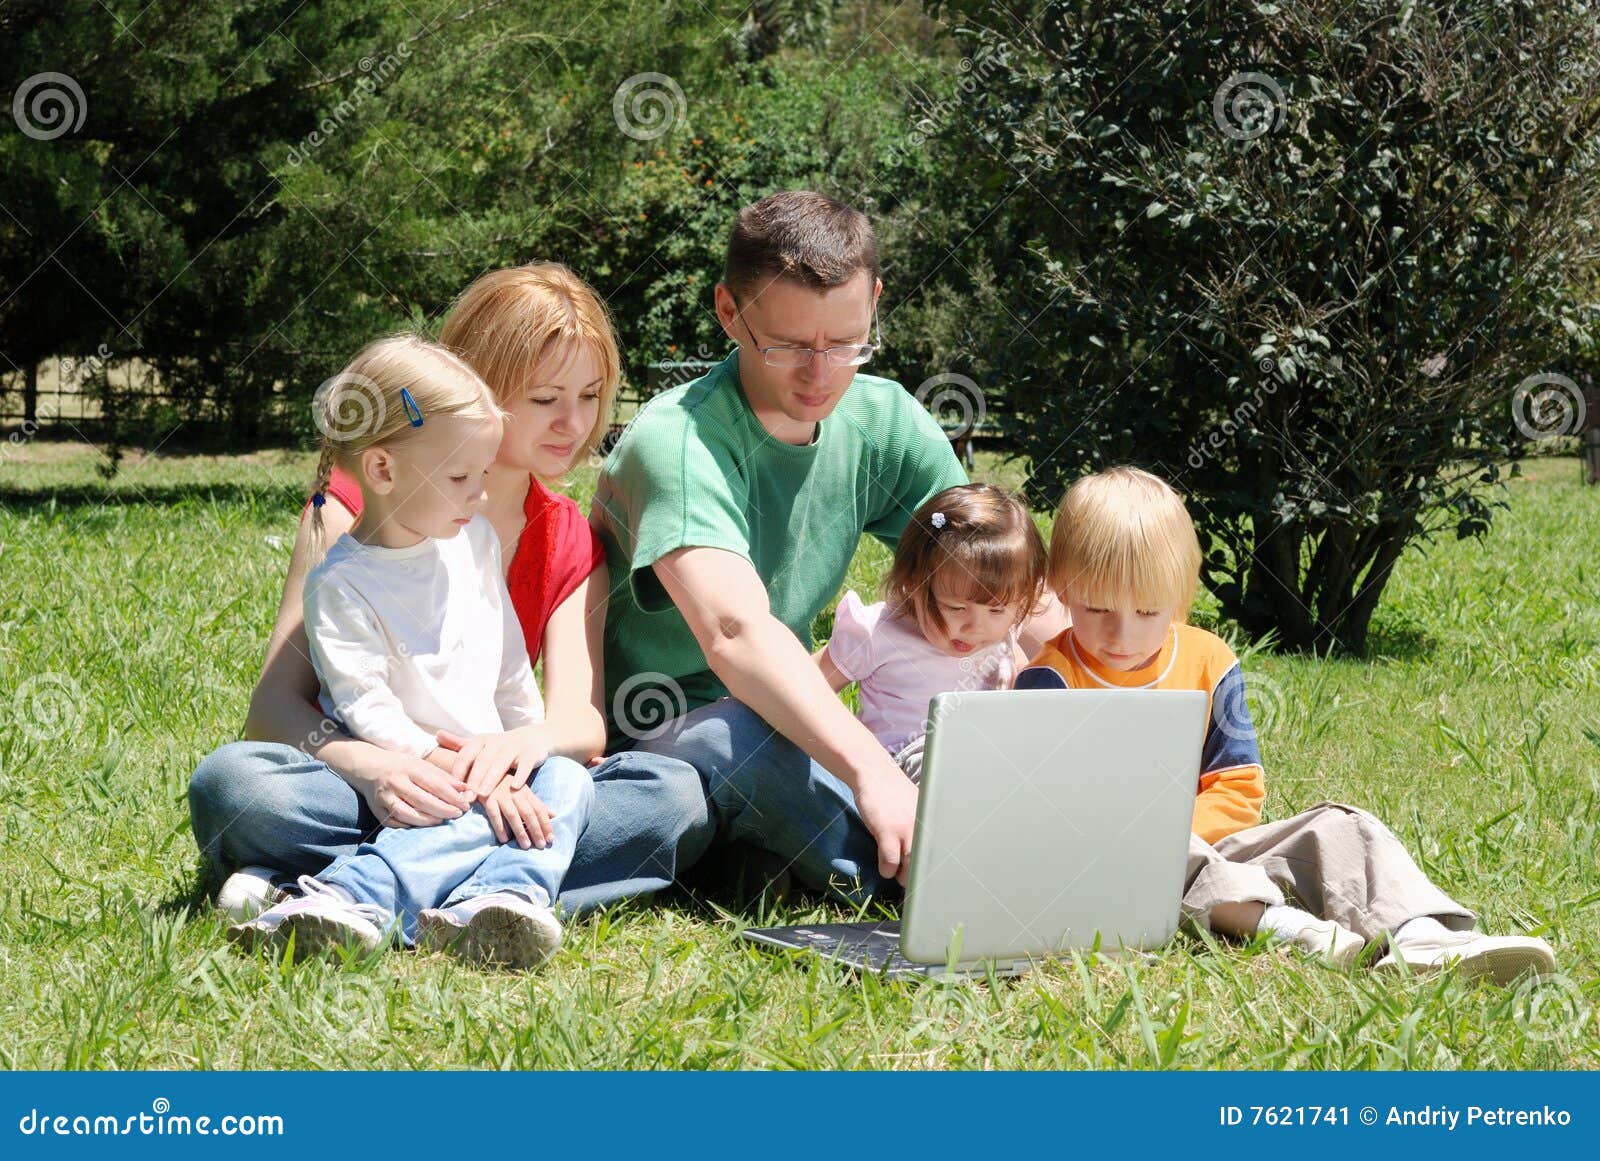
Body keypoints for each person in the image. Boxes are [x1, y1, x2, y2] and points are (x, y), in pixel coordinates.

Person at [189, 264, 713, 921]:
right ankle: (490, 883)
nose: (573, 423)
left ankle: (333, 884)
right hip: (372, 784)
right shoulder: (351, 508)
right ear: (479, 385)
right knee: (234, 786)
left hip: (506, 782)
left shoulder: (568, 536)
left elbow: (579, 720)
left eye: (590, 395)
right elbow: (272, 710)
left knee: (673, 798)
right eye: (546, 398)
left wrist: (510, 758)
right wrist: (375, 770)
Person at [592, 190, 1068, 901]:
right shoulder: (679, 442)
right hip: (677, 730)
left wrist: (1092, 700)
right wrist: (869, 770)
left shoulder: (884, 421)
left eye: (847, 343)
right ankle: (932, 874)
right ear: (729, 312)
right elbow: (735, 632)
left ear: (874, 300)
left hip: (791, 727)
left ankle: (784, 858)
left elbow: (994, 574)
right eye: (785, 346)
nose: (821, 375)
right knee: (737, 742)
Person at [1017, 466, 1558, 983]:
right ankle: (1288, 929)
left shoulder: (1209, 658)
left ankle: (1421, 935)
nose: (1123, 635)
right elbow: (1046, 819)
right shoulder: (1048, 679)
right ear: (1061, 591)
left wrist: (1181, 833)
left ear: (1181, 599)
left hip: (1213, 844)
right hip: (1112, 865)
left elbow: (1237, 786)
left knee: (1343, 825)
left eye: (1148, 613)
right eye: (1097, 610)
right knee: (1166, 855)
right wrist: (1152, 843)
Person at [225, 336, 592, 967]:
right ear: (384, 470)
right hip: (406, 781)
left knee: (572, 781)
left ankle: (462, 897)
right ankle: (430, 886)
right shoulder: (340, 582)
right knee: (237, 786)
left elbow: (509, 669)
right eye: (460, 478)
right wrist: (462, 779)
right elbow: (365, 704)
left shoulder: (473, 540)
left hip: (491, 775)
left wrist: (518, 755)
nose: (481, 496)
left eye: (483, 475)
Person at [815, 484, 1047, 782]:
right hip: (898, 767)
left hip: (981, 761)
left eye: (996, 610)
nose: (975, 627)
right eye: (955, 608)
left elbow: (1023, 690)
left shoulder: (1002, 634)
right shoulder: (879, 632)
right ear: (913, 584)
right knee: (938, 768)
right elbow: (807, 684)